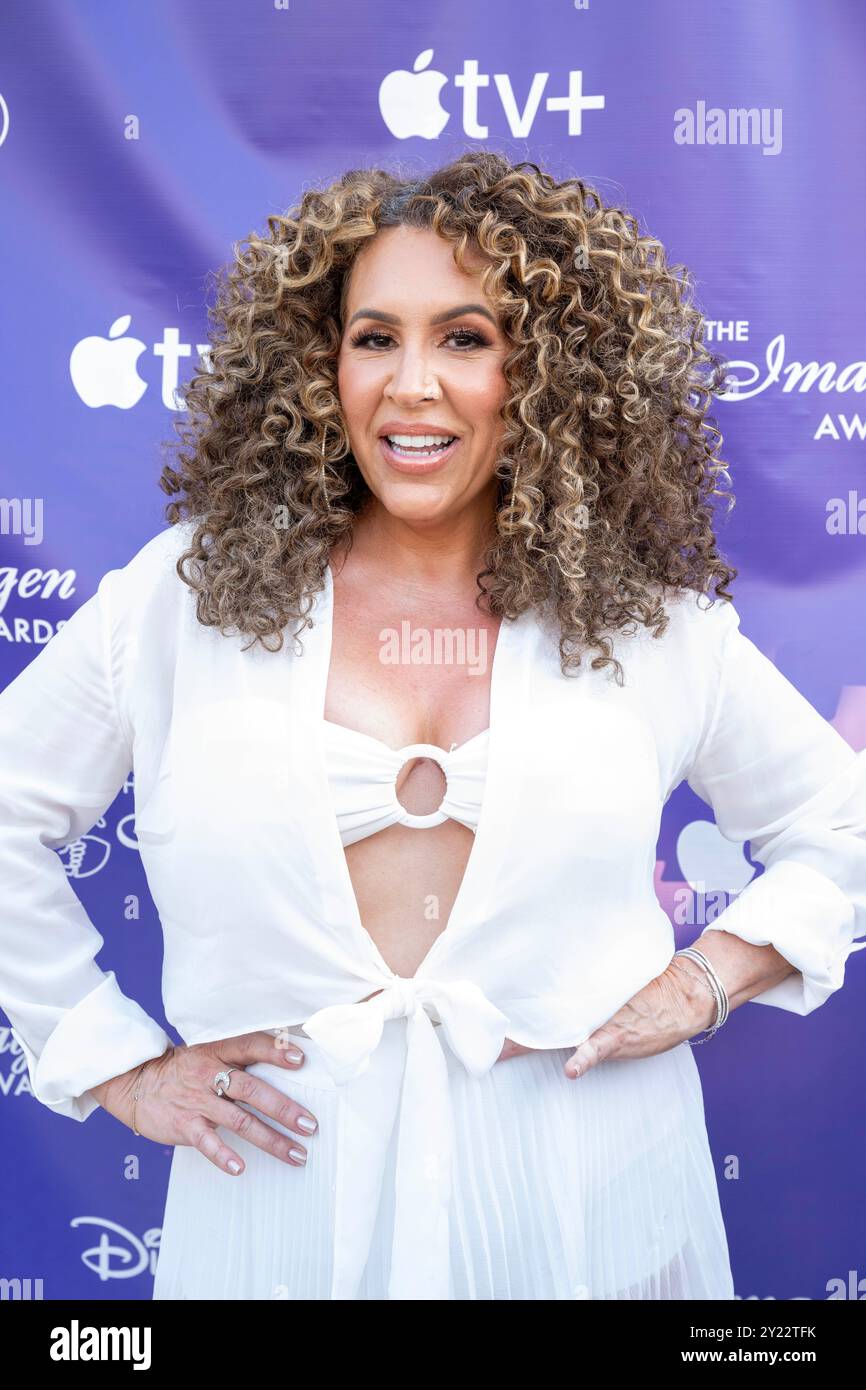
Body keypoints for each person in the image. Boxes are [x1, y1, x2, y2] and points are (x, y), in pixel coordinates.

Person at [1, 151, 864, 1301]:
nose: (411, 383)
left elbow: (838, 825)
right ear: (318, 368)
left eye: (464, 337)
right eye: (373, 338)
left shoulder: (653, 628)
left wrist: (703, 981)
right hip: (276, 1222)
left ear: (548, 373)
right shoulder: (178, 599)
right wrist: (113, 1062)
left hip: (593, 1214)